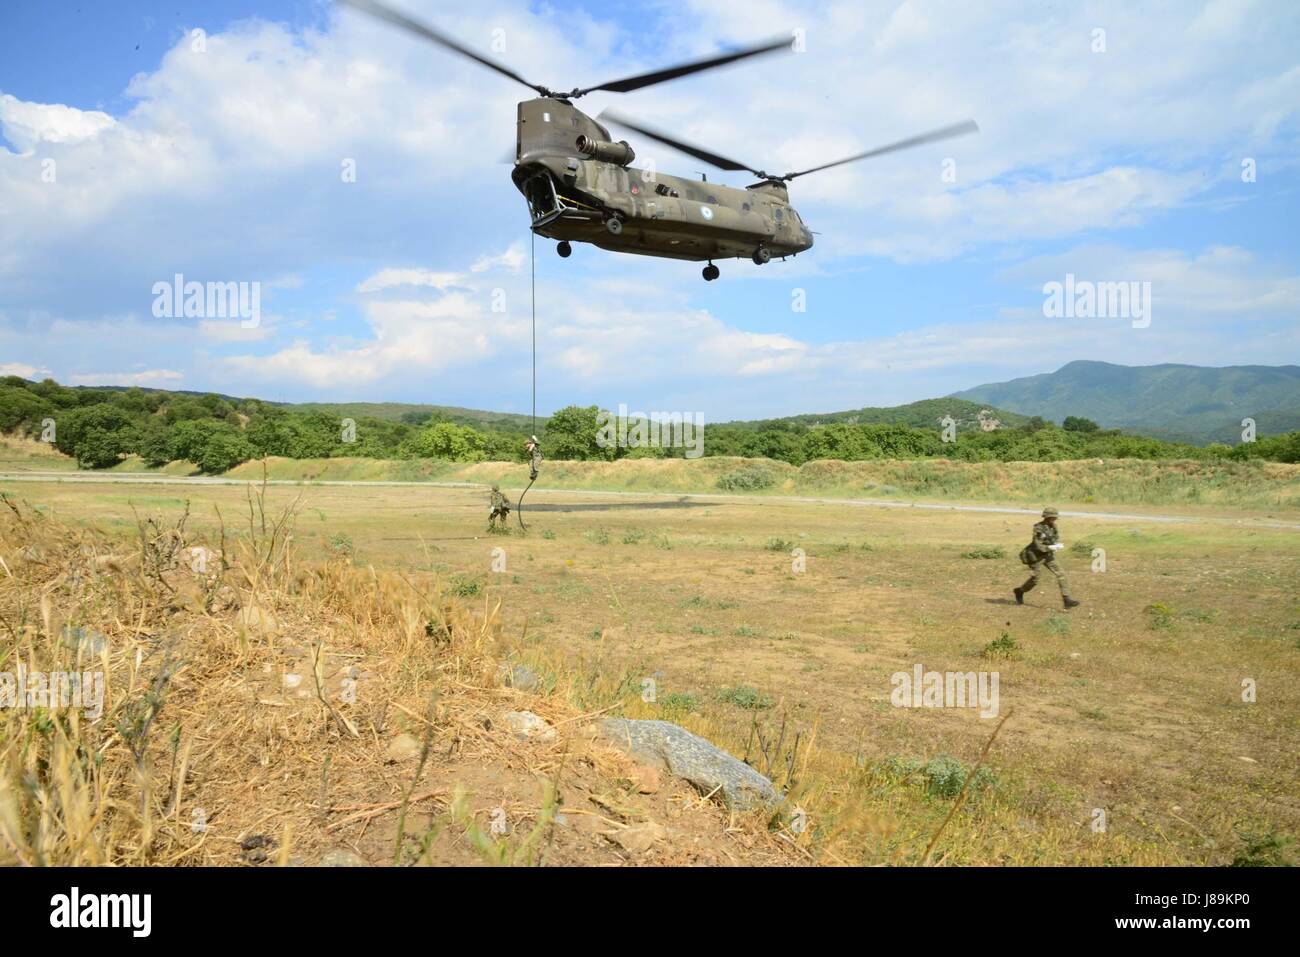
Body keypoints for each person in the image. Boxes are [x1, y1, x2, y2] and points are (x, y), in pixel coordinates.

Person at [1014, 507, 1080, 609]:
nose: (1054, 519)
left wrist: (1056, 545)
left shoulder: (1054, 527)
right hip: (1035, 556)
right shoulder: (1038, 528)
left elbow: (1055, 538)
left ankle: (1066, 600)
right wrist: (1049, 547)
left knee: (1061, 574)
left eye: (1055, 517)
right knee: (1035, 579)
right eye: (1052, 517)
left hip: (1047, 555)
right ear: (1046, 517)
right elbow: (1037, 545)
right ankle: (1020, 591)